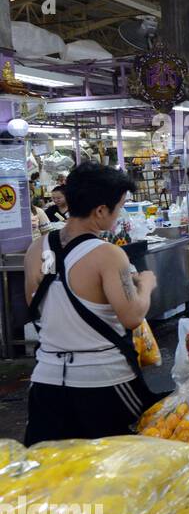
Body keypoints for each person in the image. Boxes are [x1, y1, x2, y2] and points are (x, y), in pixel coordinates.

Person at [23, 162, 159, 444]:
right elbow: (132, 316)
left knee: (55, 473)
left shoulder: (37, 249)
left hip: (47, 382)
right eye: (119, 207)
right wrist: (146, 284)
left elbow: (35, 305)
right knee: (116, 470)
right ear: (100, 210)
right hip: (102, 382)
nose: (118, 214)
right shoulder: (108, 255)